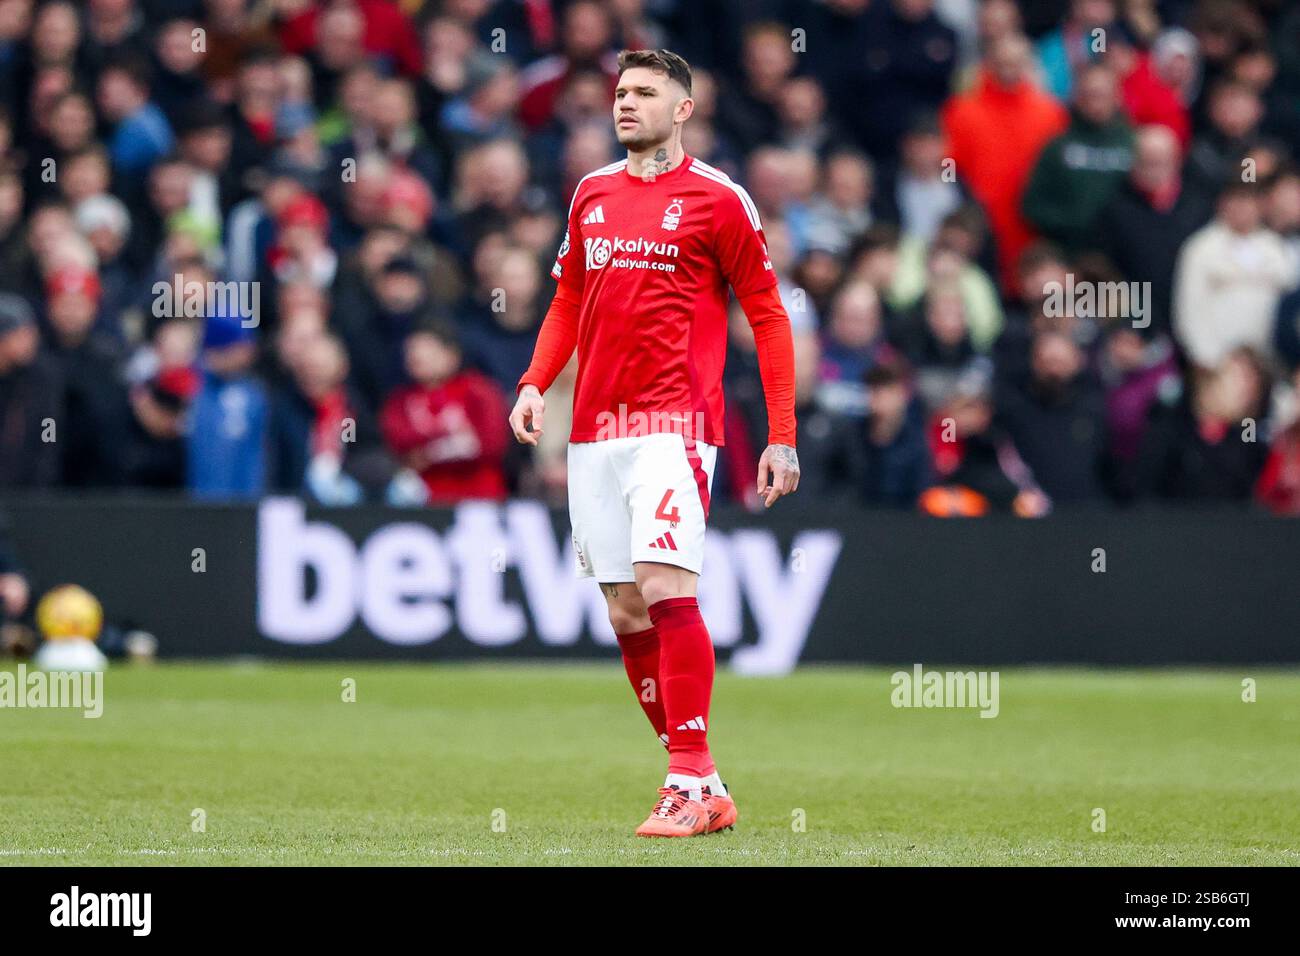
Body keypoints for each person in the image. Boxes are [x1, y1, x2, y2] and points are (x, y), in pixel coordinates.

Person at [508, 49, 798, 838]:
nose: (625, 104)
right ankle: (700, 780)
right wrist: (536, 381)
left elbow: (768, 316)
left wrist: (781, 436)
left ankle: (687, 779)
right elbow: (569, 295)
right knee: (625, 609)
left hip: (674, 424)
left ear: (683, 109)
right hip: (593, 428)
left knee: (665, 585)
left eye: (644, 93)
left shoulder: (719, 200)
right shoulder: (590, 193)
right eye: (620, 93)